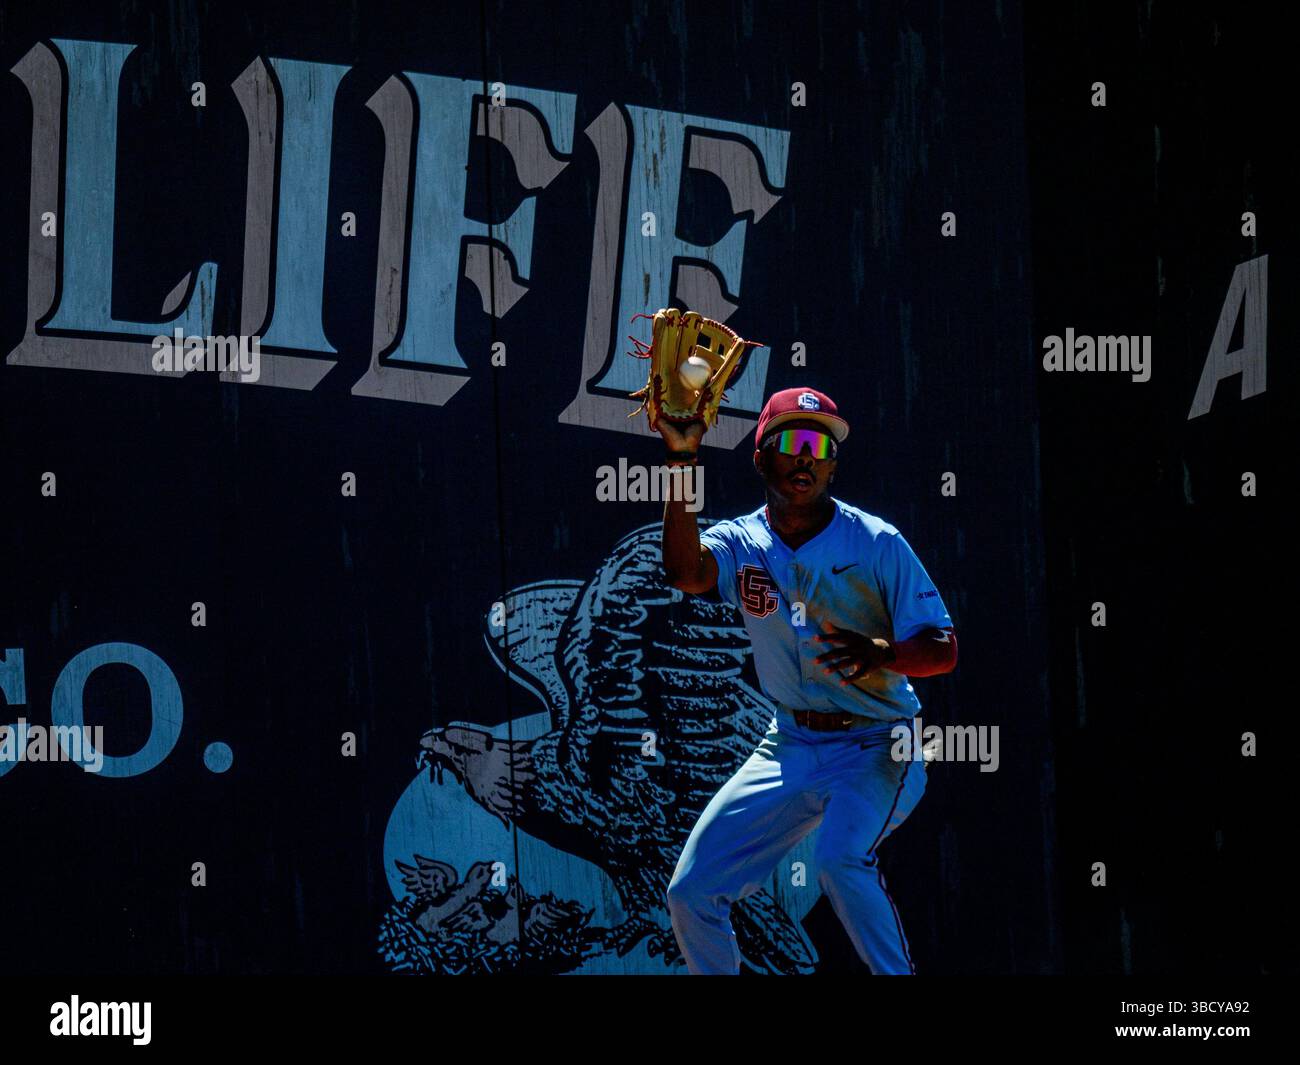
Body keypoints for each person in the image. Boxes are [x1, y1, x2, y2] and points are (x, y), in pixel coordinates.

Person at [659, 386, 958, 974]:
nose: (807, 458)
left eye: (820, 446)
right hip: (789, 744)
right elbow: (685, 572)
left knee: (839, 861)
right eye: (792, 442)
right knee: (689, 893)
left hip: (878, 741)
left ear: (833, 463)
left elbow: (943, 649)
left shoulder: (875, 542)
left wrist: (884, 652)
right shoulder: (742, 542)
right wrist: (680, 460)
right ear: (761, 456)